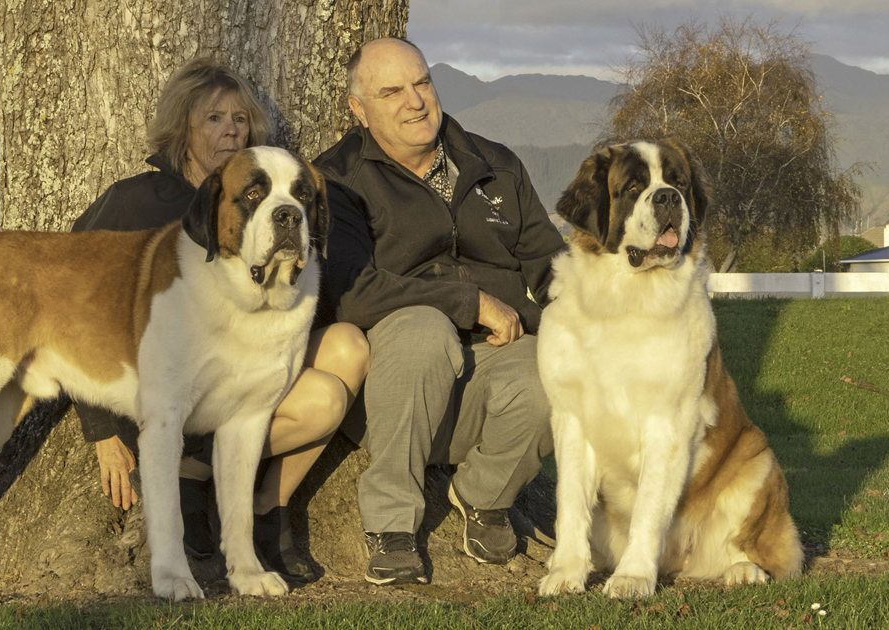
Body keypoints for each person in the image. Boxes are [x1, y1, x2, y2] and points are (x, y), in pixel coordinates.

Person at [71, 58, 369, 581]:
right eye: (213, 118)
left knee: (344, 353)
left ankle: (261, 506)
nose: (230, 129)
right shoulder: (134, 201)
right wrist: (99, 433)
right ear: (182, 128)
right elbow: (69, 305)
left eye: (240, 118)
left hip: (241, 395)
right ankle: (194, 479)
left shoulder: (282, 197)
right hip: (158, 404)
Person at [314, 37, 567, 585]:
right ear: (359, 109)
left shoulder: (496, 166)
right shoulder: (337, 180)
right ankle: (391, 526)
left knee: (554, 366)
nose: (415, 101)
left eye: (421, 83)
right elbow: (352, 293)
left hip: (486, 386)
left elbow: (553, 270)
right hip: (393, 393)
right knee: (423, 327)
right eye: (391, 91)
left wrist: (573, 323)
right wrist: (469, 302)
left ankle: (483, 496)